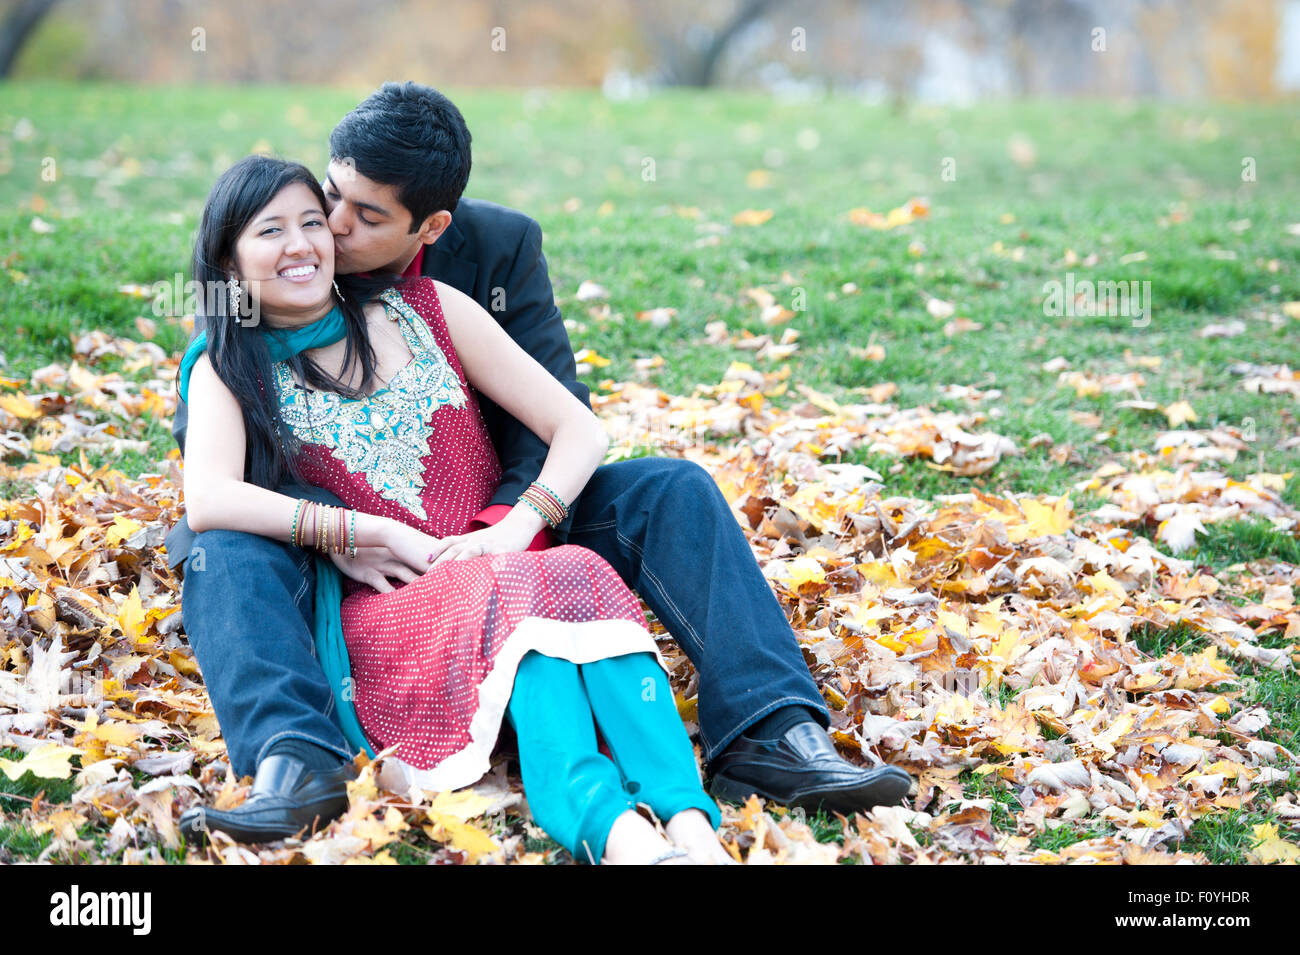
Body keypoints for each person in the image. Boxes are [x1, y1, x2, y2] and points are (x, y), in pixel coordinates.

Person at [168, 82, 912, 845]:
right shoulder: (269, 271)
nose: (330, 226)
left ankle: (769, 730)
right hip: (337, 533)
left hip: (495, 500)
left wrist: (508, 531)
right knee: (218, 549)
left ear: (431, 225)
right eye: (331, 195)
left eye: (366, 215)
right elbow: (226, 453)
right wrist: (347, 533)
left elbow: (555, 418)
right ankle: (296, 760)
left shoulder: (488, 258)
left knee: (675, 488)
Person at [175, 154, 735, 864]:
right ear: (228, 261)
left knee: (574, 568)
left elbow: (579, 428)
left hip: (496, 564)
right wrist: (362, 530)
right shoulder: (228, 363)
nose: (300, 244)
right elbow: (209, 496)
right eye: (270, 230)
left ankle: (690, 826)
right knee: (519, 590)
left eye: (313, 222)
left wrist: (518, 525)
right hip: (393, 609)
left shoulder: (428, 308)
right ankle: (619, 835)